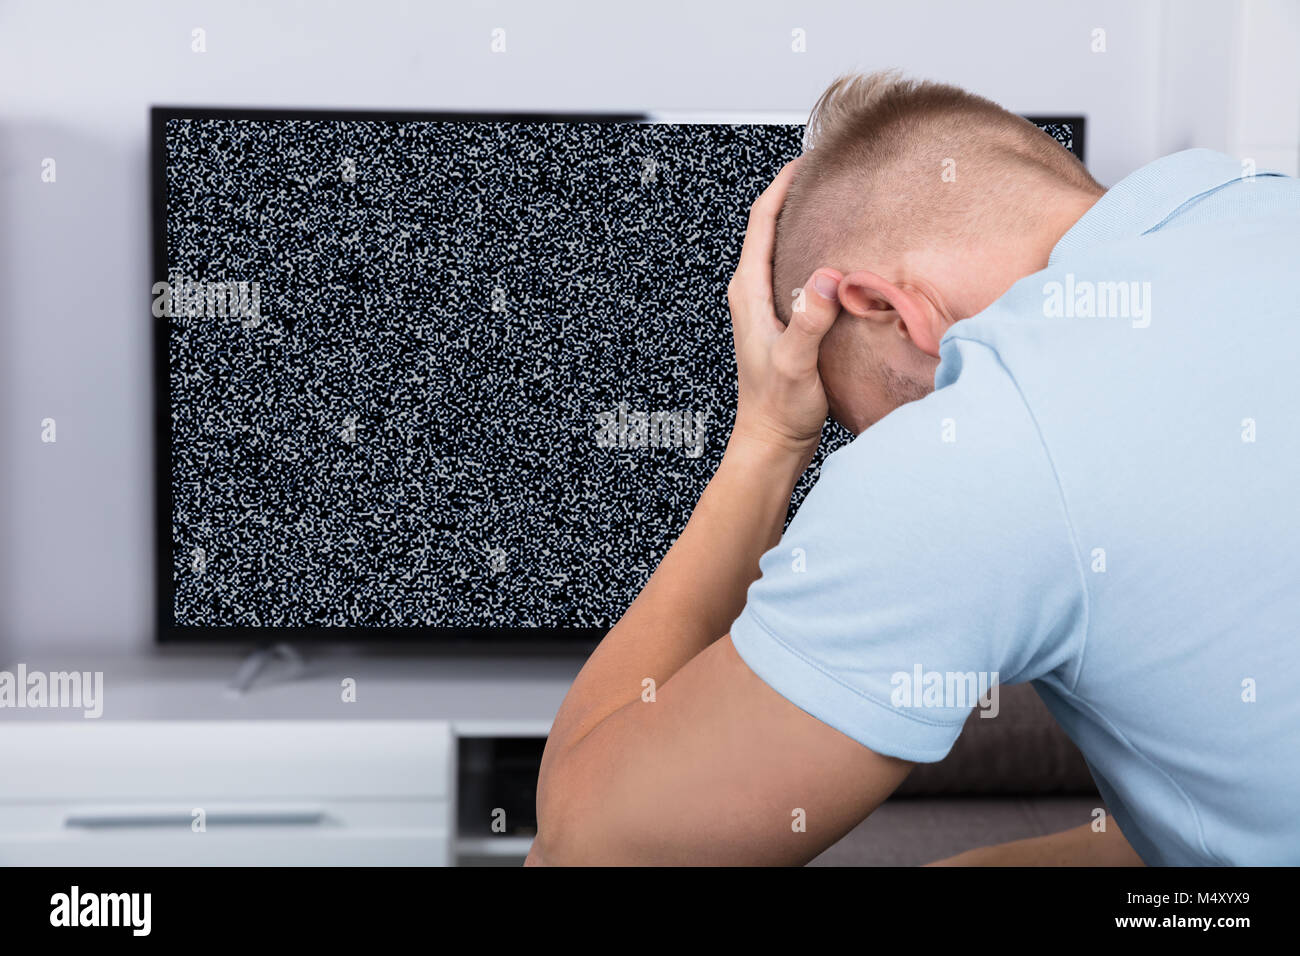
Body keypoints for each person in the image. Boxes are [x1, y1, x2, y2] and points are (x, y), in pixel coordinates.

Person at [527, 71, 1300, 866]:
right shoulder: (1253, 204)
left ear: (882, 308)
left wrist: (766, 439)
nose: (876, 450)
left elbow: (584, 848)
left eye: (856, 426)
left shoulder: (985, 438)